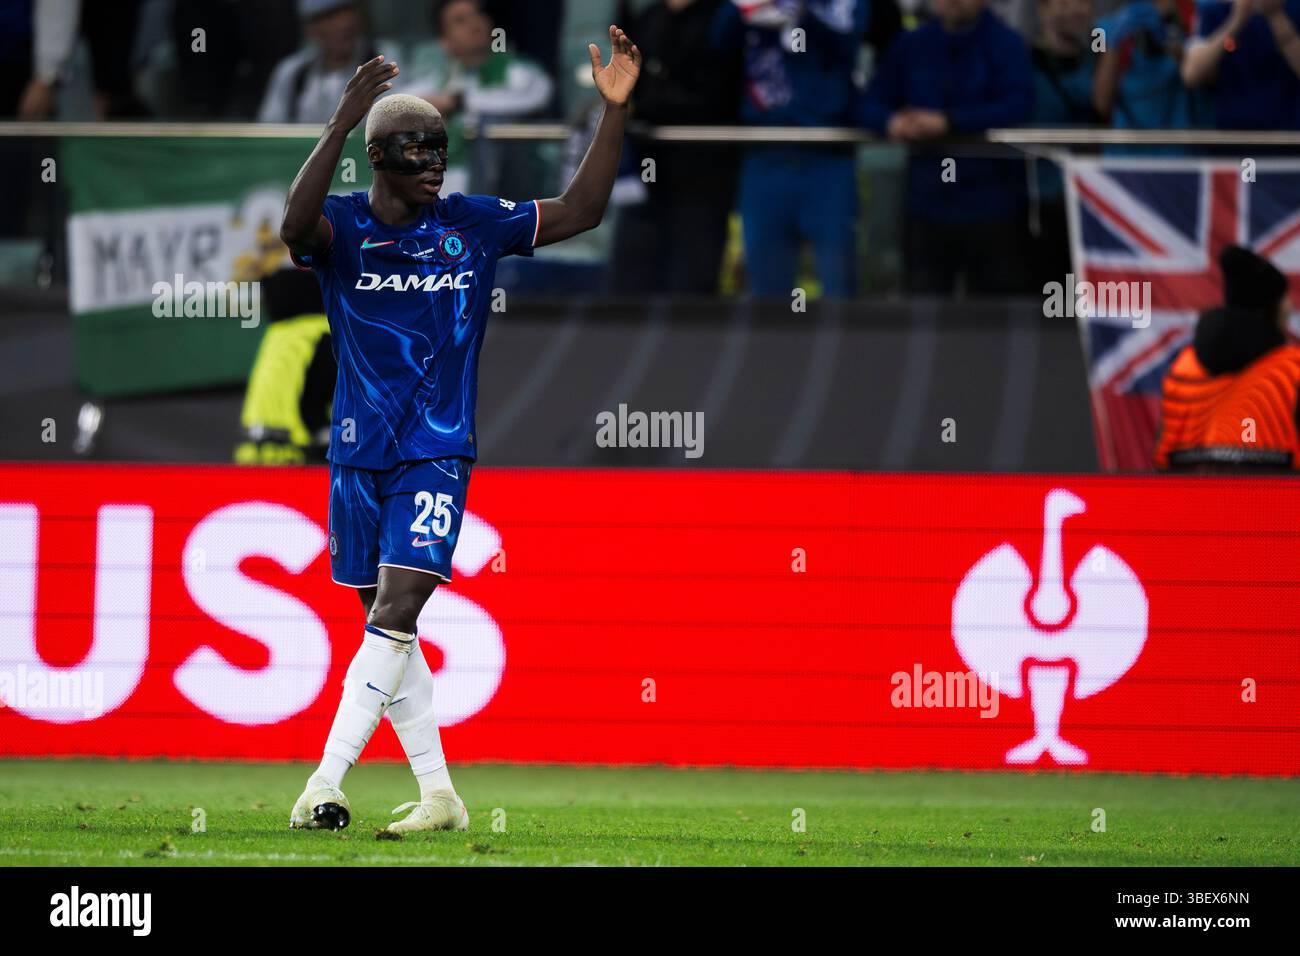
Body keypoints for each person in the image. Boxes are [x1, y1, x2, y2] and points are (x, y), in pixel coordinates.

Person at [279, 27, 641, 833]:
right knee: (384, 627)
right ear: (377, 158)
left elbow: (581, 209)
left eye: (439, 148)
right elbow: (291, 229)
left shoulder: (473, 223)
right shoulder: (340, 228)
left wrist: (613, 112)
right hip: (355, 451)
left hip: (436, 448)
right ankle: (440, 795)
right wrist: (337, 125)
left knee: (397, 613)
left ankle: (323, 783)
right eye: (414, 149)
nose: (434, 162)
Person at [858, 0, 1034, 295]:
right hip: (926, 207)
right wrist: (891, 122)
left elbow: (1019, 105)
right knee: (923, 320)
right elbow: (869, 103)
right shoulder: (912, 45)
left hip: (992, 207)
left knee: (997, 319)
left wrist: (951, 122)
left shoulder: (1006, 43)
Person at [715, 0, 870, 298]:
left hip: (827, 155)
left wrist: (801, 13)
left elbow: (848, 44)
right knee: (767, 289)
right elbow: (720, 41)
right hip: (764, 154)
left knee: (839, 286)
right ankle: (769, 346)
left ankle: (842, 345)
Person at [606, 0, 742, 294]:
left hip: (702, 181)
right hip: (644, 181)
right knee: (628, 290)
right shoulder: (648, 19)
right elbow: (631, 87)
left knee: (690, 296)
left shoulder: (727, 19)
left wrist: (649, 109)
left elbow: (721, 95)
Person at [1155, 245, 1300, 471]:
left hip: (1190, 502)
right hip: (1275, 503)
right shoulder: (1292, 368)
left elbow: (1165, 455)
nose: (1291, 306)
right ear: (1270, 308)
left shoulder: (1185, 364)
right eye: (1285, 298)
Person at [1028, 0, 1099, 285]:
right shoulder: (1022, 61)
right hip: (1041, 203)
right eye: (1065, 2)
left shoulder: (1100, 58)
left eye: (1083, 2)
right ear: (1042, 9)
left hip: (1094, 200)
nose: (1077, 9)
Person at [1092, 0, 1203, 153]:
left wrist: (1173, 45)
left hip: (1177, 151)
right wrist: (1115, 44)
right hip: (1124, 153)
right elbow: (1101, 104)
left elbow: (1204, 82)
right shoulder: (1104, 29)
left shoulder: (1192, 21)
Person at [1182, 0, 1300, 130]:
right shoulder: (1214, 10)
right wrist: (1236, 21)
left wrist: (1276, 16)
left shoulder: (1294, 9)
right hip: (1231, 135)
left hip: (1288, 133)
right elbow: (1191, 75)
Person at [258, 0, 380, 124]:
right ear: (311, 28)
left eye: (348, 11)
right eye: (330, 16)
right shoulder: (293, 72)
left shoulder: (381, 63)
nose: (343, 22)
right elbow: (270, 129)